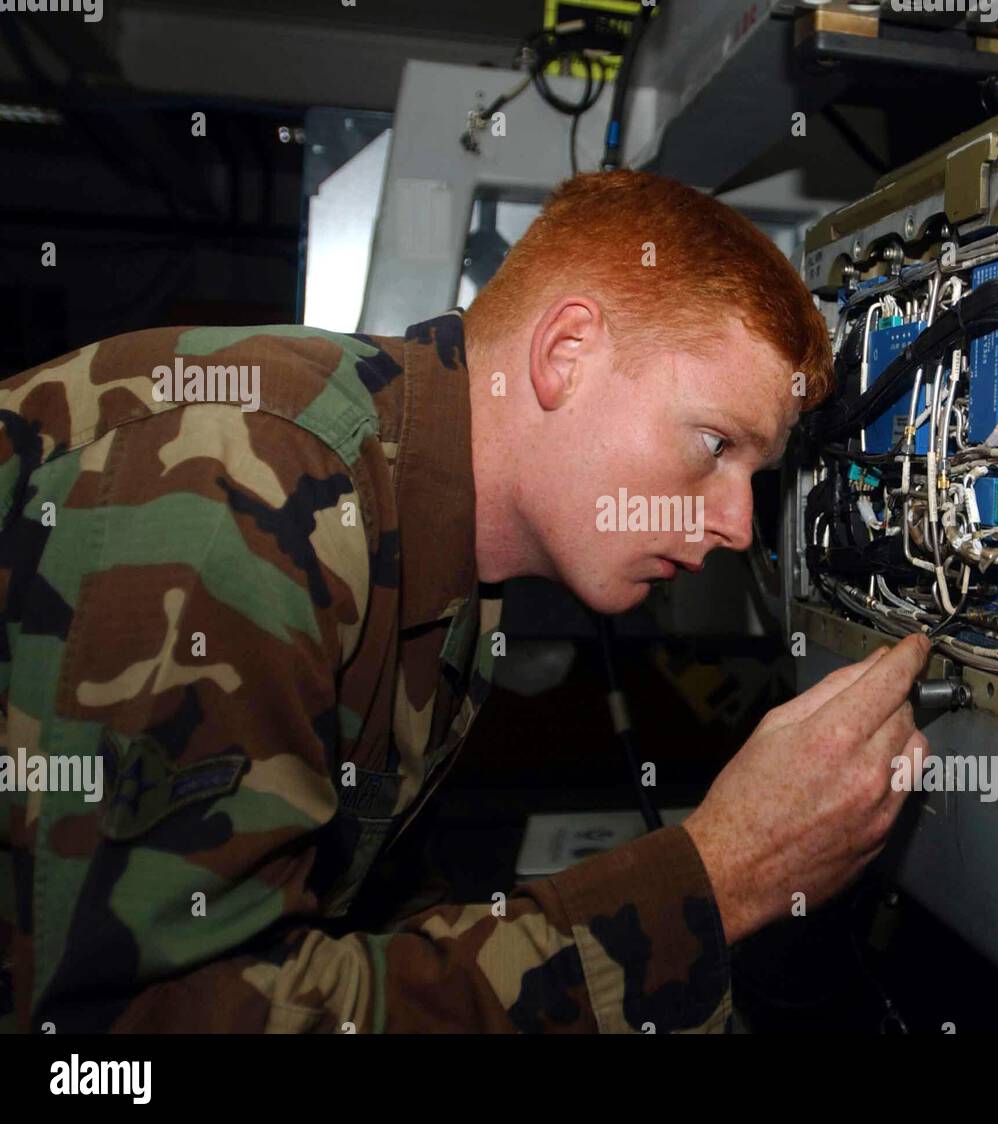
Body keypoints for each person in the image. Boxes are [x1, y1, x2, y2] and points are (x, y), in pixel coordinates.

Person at [0, 169, 930, 1033]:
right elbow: (125, 1035)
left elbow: (355, 939)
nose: (737, 525)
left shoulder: (444, 577)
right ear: (566, 353)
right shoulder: (248, 484)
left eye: (756, 475)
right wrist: (721, 876)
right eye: (716, 443)